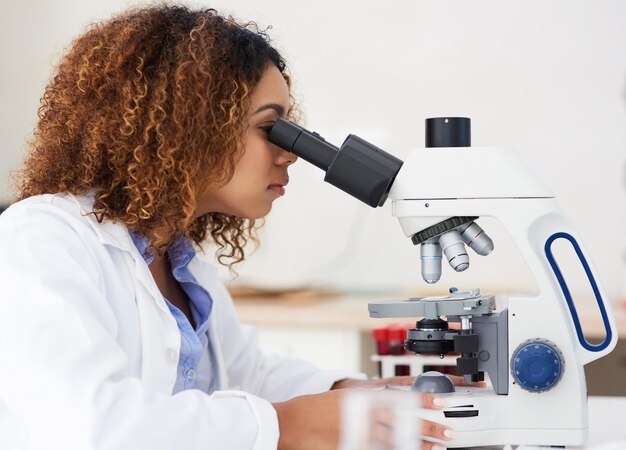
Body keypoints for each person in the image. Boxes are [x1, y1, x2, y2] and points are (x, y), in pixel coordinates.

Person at [0, 5, 471, 449]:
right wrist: (289, 425)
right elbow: (88, 427)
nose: (290, 154)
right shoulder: (43, 239)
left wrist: (354, 392)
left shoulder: (179, 263)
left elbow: (249, 375)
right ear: (188, 128)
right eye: (273, 130)